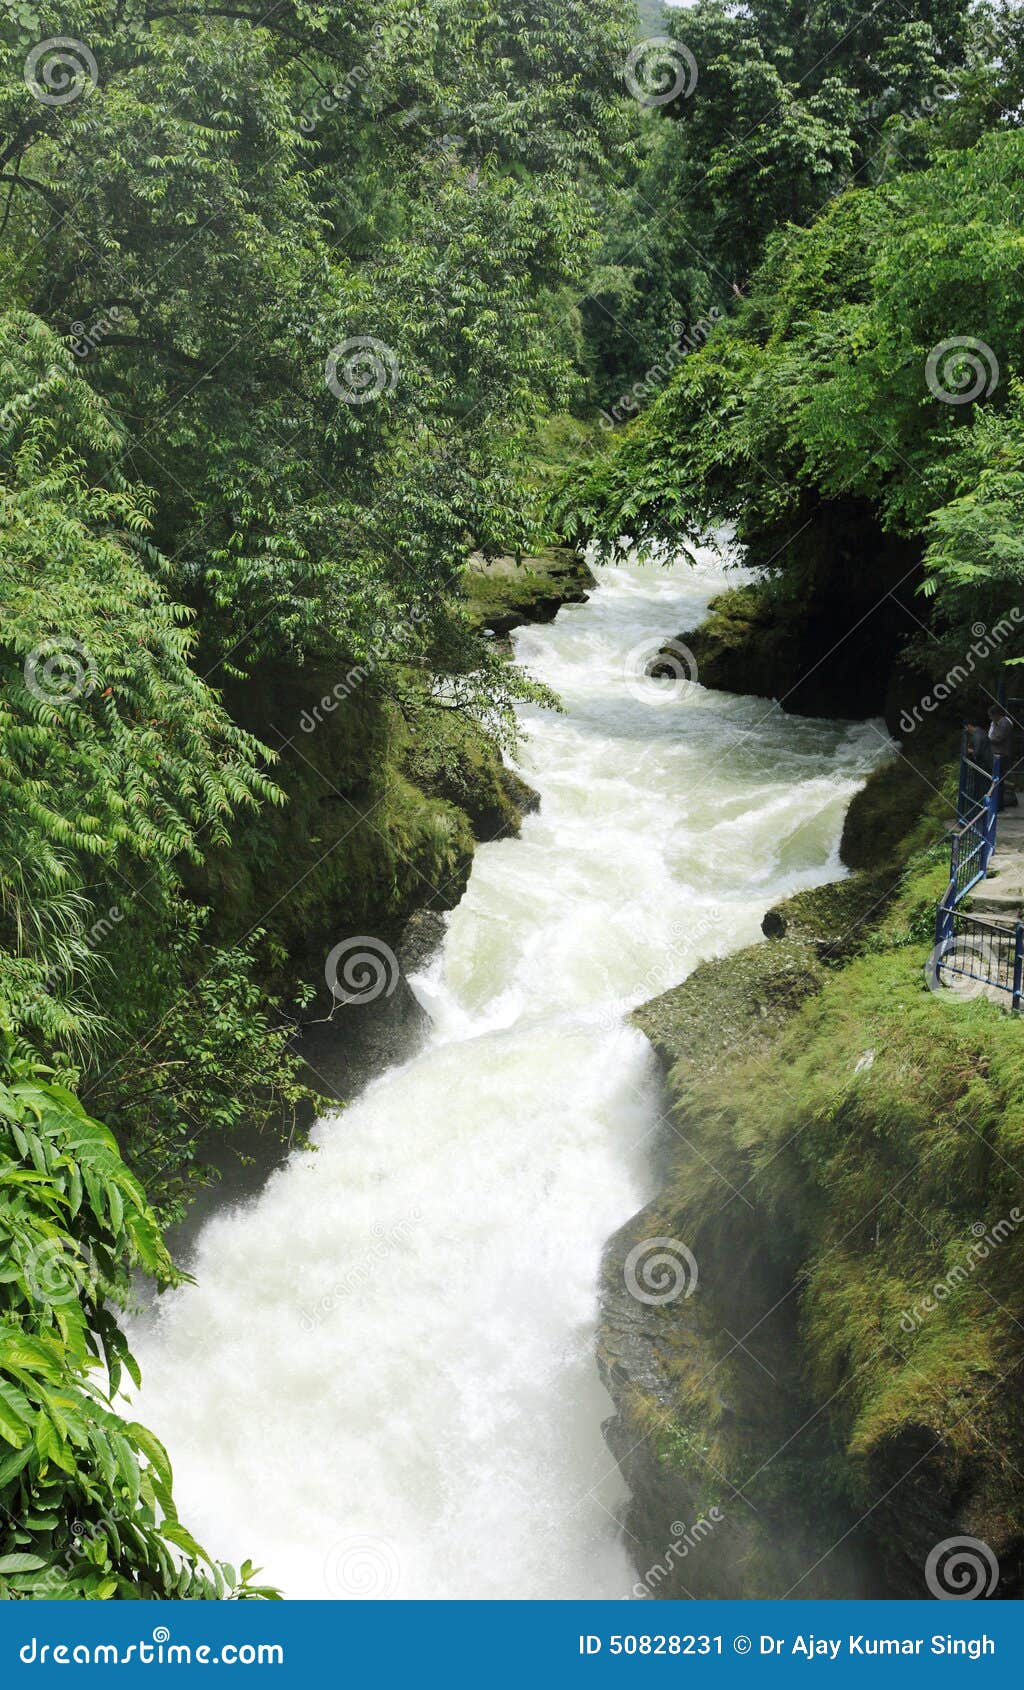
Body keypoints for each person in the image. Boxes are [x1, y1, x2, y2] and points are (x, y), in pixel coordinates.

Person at [988, 704, 1016, 809]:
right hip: (998, 754)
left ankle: (999, 805)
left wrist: (989, 737)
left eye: (992, 716)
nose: (991, 719)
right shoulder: (998, 723)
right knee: (998, 780)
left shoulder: (1004, 724)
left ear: (997, 715)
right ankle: (999, 803)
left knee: (998, 780)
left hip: (1002, 754)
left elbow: (997, 738)